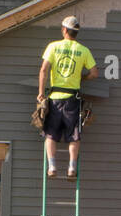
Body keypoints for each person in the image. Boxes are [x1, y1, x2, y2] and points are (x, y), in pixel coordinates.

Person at [37, 15, 98, 179]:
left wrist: (41, 93)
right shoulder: (83, 50)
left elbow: (43, 70)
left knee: (50, 134)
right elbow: (94, 73)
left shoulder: (53, 47)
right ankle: (71, 168)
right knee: (74, 135)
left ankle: (52, 167)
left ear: (64, 30)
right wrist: (81, 78)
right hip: (73, 99)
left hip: (55, 97)